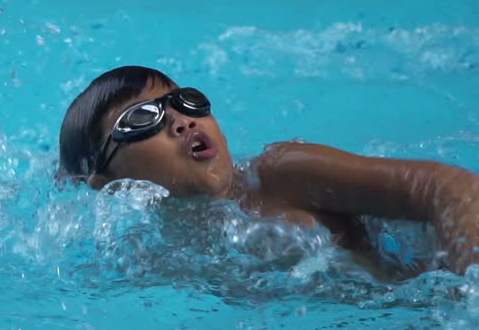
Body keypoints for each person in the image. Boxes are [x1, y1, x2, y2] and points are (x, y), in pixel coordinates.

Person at [57, 66, 479, 275]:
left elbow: (448, 188)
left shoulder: (280, 176)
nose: (180, 121)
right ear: (108, 185)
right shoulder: (149, 255)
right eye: (142, 118)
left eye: (184, 100)